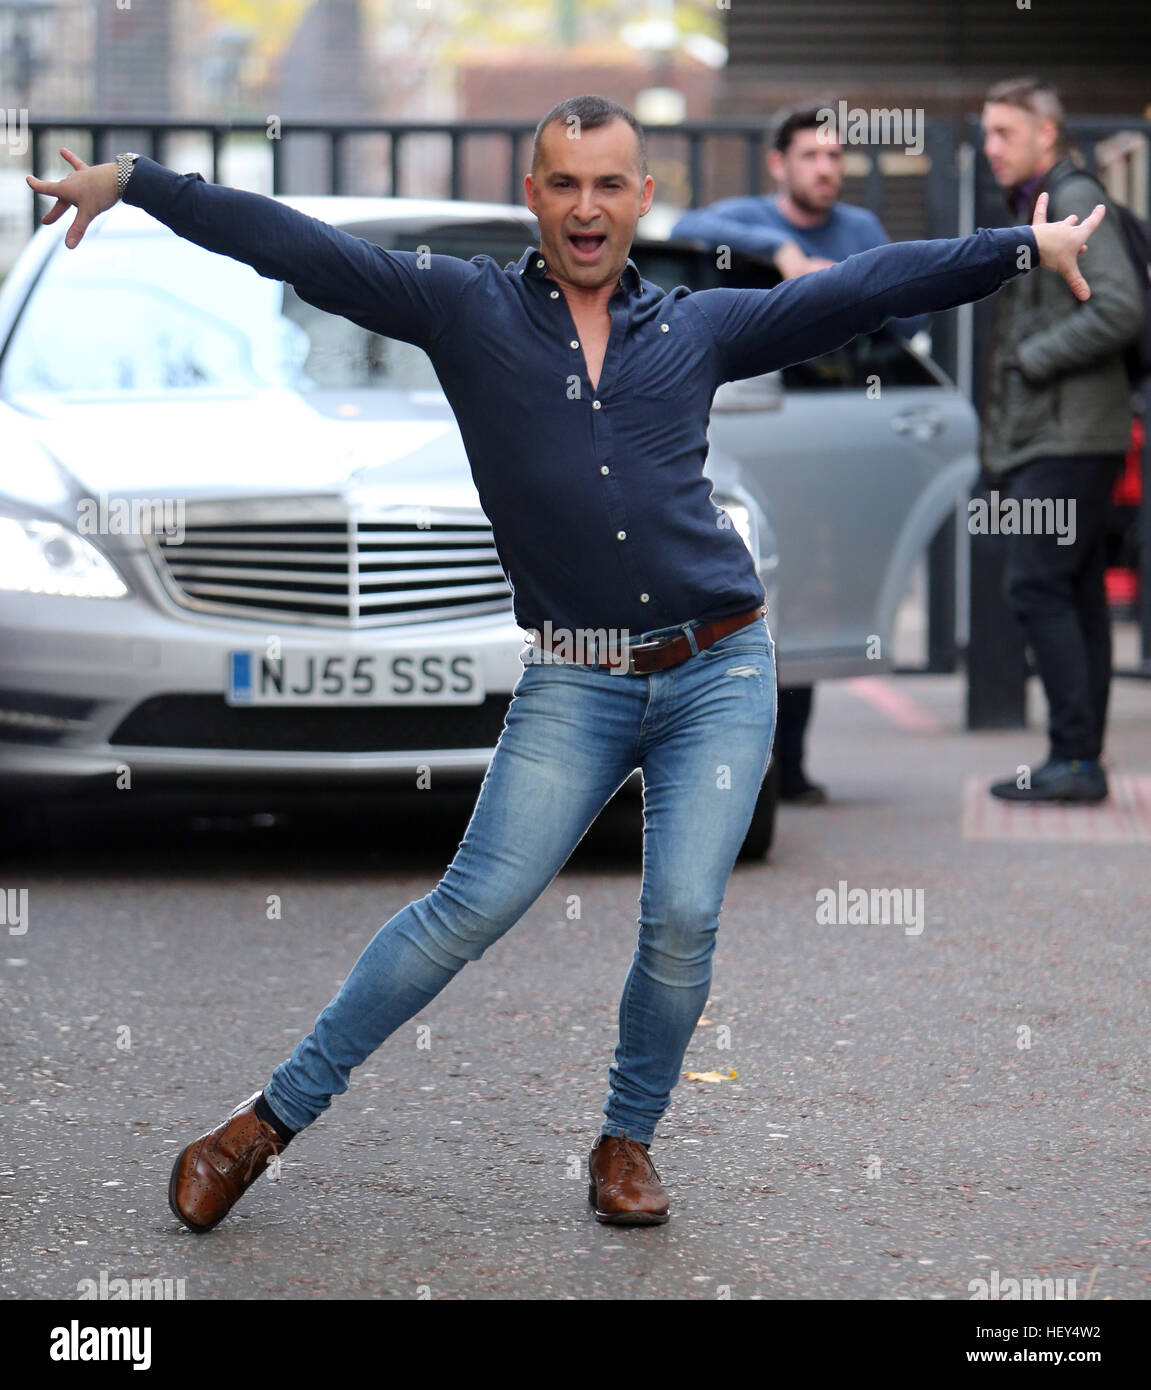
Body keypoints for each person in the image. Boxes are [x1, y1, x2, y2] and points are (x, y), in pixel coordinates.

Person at [28, 93, 1102, 1230]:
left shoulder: (696, 328)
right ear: (531, 196)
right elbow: (300, 247)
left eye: (608, 185)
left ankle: (625, 1143)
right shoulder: (463, 309)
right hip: (577, 677)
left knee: (683, 912)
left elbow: (858, 289)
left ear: (640, 199)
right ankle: (261, 1123)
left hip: (719, 669)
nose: (585, 208)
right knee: (468, 906)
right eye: (563, 183)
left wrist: (1018, 246)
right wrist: (137, 182)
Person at [671, 104, 927, 805]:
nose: (825, 169)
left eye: (834, 157)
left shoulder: (860, 233)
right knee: (747, 594)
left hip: (832, 434)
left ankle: (792, 762)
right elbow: (687, 228)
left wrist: (847, 285)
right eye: (811, 156)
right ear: (779, 164)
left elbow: (911, 315)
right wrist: (776, 253)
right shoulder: (749, 220)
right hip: (754, 432)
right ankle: (737, 765)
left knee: (813, 595)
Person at [978, 78, 1141, 804]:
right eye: (985, 134)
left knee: (1035, 582)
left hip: (1067, 435)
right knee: (1071, 591)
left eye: (1003, 133)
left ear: (1046, 134)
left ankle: (1074, 759)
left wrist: (1030, 358)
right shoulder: (1042, 200)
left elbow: (1119, 307)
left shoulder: (1070, 195)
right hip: (1069, 432)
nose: (990, 149)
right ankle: (1078, 758)